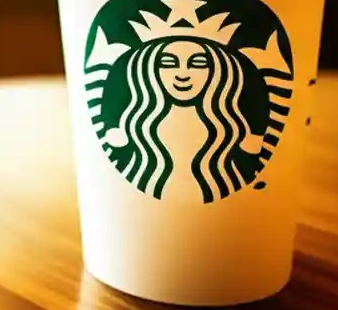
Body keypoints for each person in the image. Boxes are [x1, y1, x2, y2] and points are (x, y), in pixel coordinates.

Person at [103, 36, 269, 202]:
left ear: (216, 70)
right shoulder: (136, 126)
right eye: (168, 63)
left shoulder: (233, 129)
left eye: (197, 63)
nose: (182, 74)